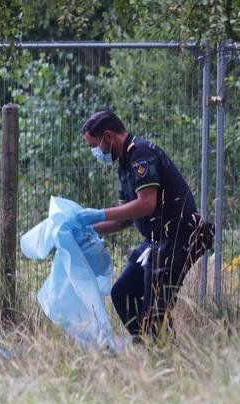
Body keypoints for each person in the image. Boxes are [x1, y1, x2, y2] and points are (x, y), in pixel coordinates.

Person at [74, 110, 213, 342]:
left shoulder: (141, 155)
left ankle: (160, 354)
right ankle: (148, 346)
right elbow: (124, 219)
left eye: (94, 145)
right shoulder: (124, 163)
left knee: (155, 310)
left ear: (108, 136)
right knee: (122, 293)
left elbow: (147, 204)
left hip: (178, 237)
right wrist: (90, 228)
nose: (94, 152)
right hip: (156, 242)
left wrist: (99, 213)